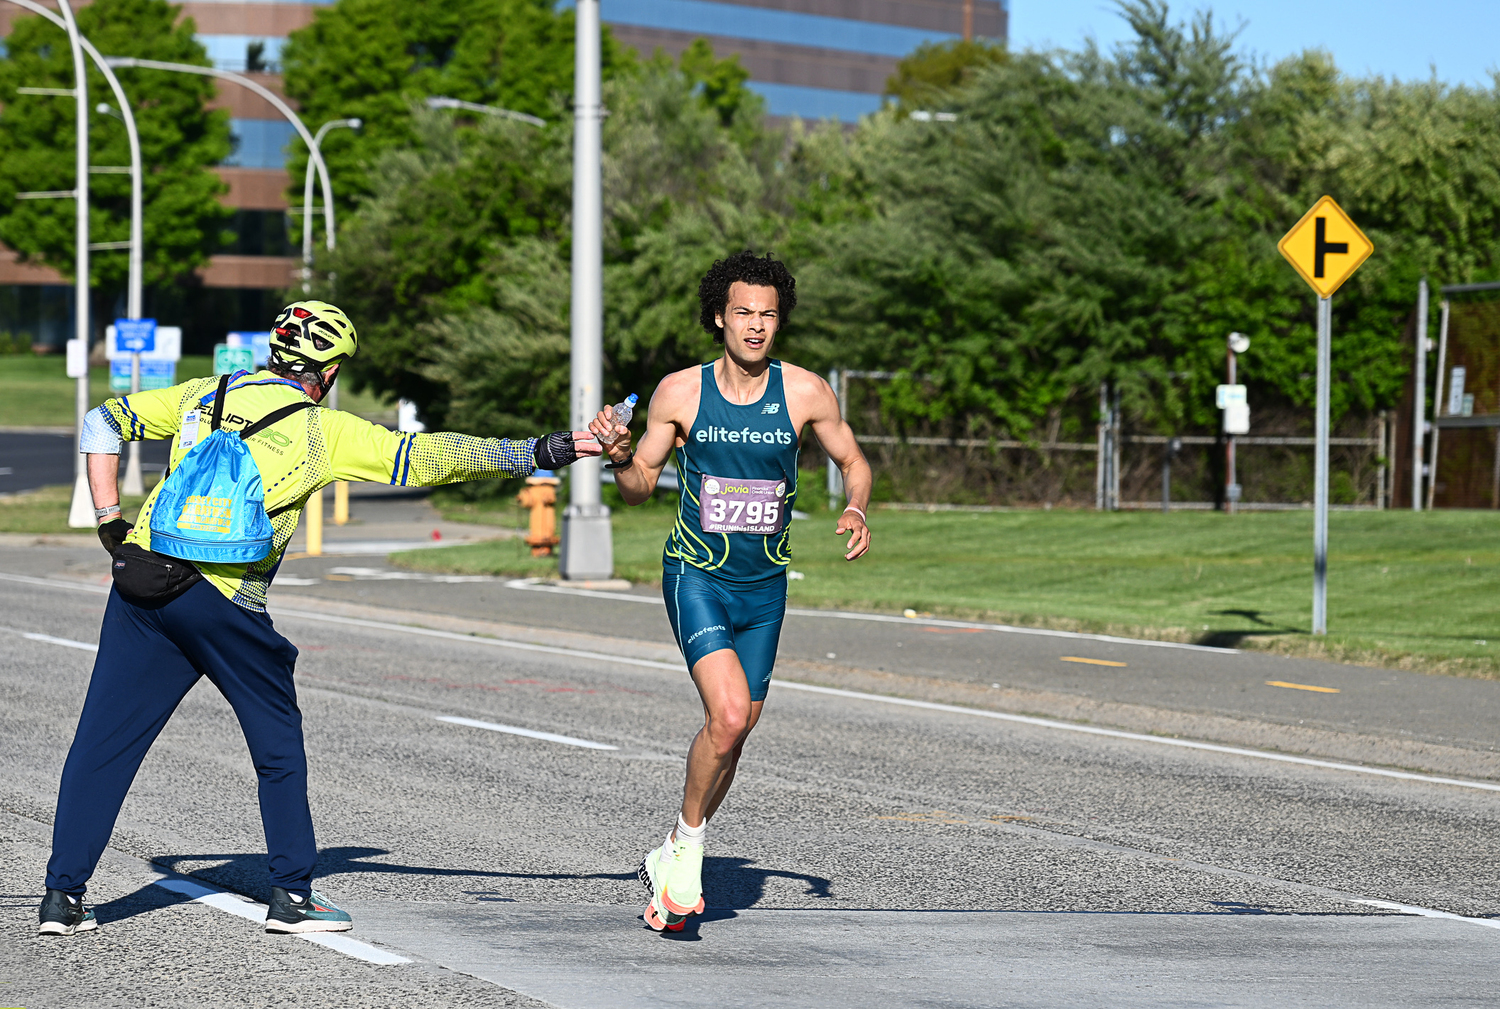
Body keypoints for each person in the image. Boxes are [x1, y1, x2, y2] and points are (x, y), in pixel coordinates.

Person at [39, 301, 597, 938]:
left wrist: (111, 522)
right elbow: (434, 457)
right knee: (276, 744)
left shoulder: (202, 394)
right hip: (223, 602)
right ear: (328, 373)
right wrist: (549, 449)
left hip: (141, 583)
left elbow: (101, 422)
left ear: (274, 351)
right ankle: (293, 895)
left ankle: (63, 897)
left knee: (103, 744)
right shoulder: (321, 431)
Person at [588, 252, 872, 932]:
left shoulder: (804, 392)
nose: (755, 325)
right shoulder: (679, 393)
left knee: (736, 731)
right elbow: (636, 487)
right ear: (719, 315)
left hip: (765, 588)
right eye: (743, 312)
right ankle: (684, 852)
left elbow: (854, 461)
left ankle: (673, 851)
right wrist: (622, 454)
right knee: (728, 713)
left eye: (768, 314)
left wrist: (857, 505)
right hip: (698, 573)